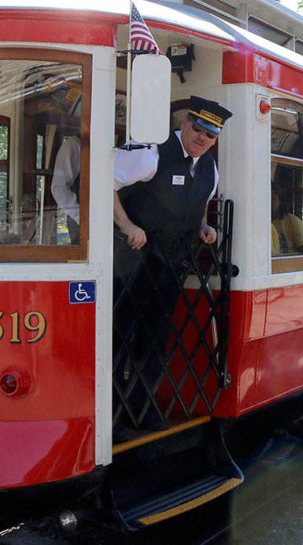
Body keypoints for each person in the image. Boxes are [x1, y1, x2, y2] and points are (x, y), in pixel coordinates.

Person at [111, 95, 231, 433]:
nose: (203, 138)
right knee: (119, 336)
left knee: (156, 340)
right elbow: (103, 179)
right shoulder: (152, 153)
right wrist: (126, 225)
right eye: (199, 128)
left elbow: (198, 206)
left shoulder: (209, 167)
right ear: (185, 123)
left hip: (171, 266)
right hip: (132, 263)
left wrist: (205, 228)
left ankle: (142, 408)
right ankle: (110, 413)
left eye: (211, 135)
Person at [271, 185, 303, 255]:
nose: (269, 203)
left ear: (280, 201)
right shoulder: (259, 223)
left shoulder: (293, 222)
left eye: (272, 199)